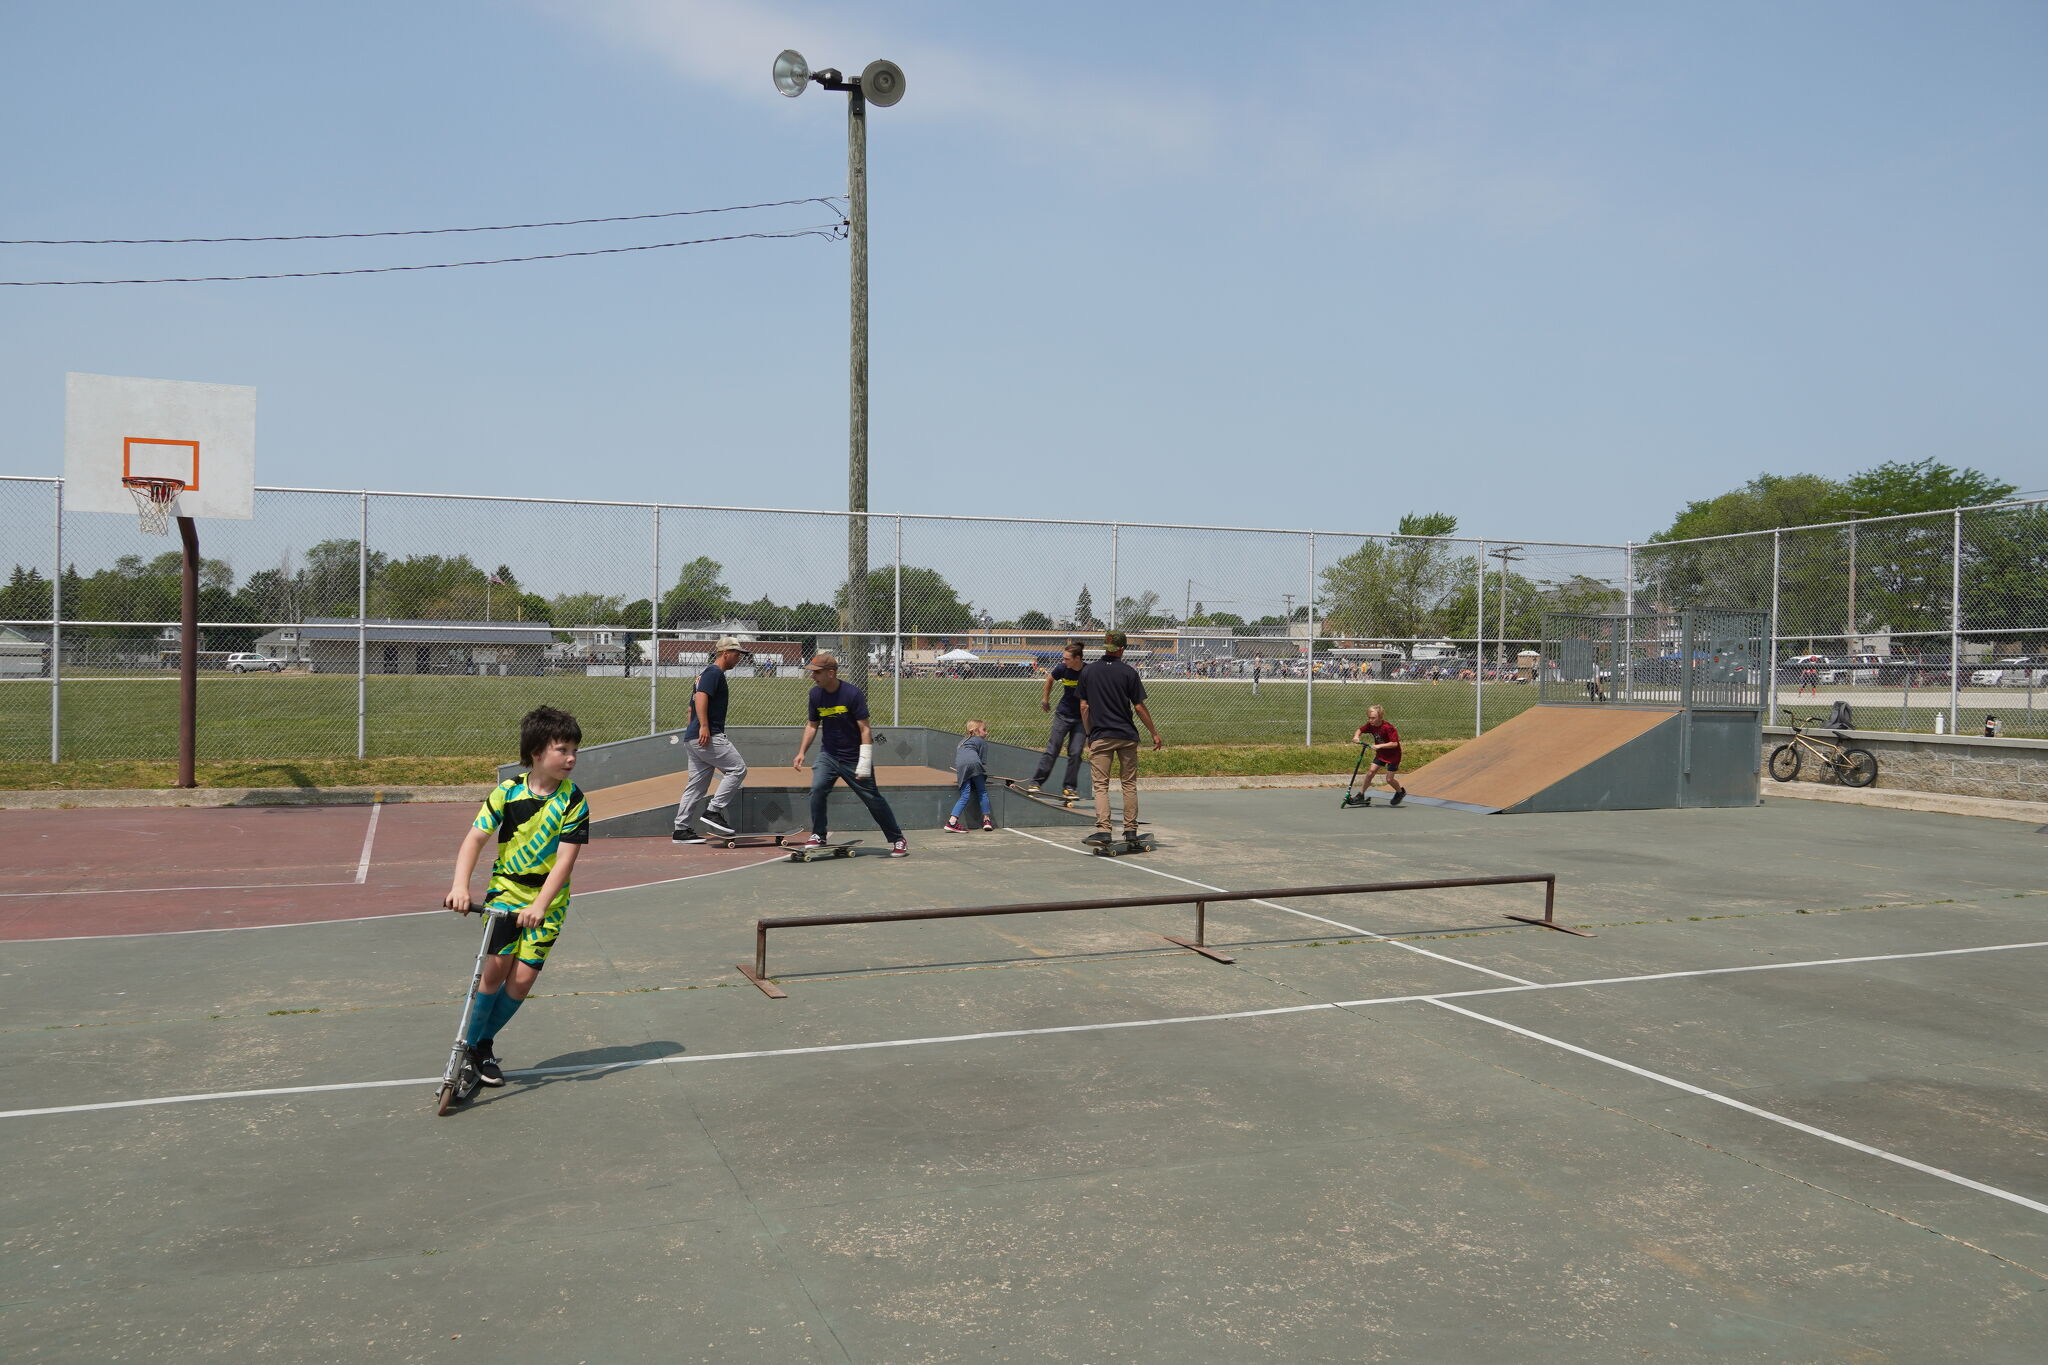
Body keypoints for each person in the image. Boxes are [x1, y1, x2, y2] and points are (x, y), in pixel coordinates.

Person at [442, 705, 589, 1087]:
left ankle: (481, 1045)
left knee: (521, 981)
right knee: (495, 969)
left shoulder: (574, 800)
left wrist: (540, 905)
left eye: (574, 750)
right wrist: (460, 887)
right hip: (505, 893)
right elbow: (475, 839)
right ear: (537, 752)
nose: (571, 758)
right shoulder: (507, 793)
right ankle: (470, 1048)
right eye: (562, 749)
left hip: (548, 903)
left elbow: (565, 861)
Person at [792, 653, 908, 857]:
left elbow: (865, 729)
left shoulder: (852, 694)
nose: (812, 676)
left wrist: (864, 761)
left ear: (831, 673)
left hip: (854, 758)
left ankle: (898, 839)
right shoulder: (815, 695)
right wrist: (802, 752)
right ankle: (819, 834)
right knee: (817, 789)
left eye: (817, 673)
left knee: (872, 799)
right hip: (828, 755)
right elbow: (812, 725)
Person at [1077, 629, 1163, 844]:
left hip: (1101, 735)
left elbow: (1084, 707)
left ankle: (1104, 830)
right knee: (1129, 784)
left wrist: (1089, 733)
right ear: (1122, 649)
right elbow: (1139, 707)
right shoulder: (1128, 672)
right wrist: (1154, 733)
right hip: (1126, 735)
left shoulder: (1088, 672)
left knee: (1100, 786)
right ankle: (1131, 830)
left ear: (1106, 647)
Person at [671, 636, 750, 843]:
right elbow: (701, 697)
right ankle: (713, 810)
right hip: (708, 735)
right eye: (736, 654)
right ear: (725, 653)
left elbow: (690, 708)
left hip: (694, 738)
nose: (739, 658)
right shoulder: (714, 673)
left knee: (696, 786)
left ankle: (681, 830)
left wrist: (693, 730)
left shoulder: (704, 674)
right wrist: (704, 727)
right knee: (737, 769)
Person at [1026, 640, 1087, 800]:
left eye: (1067, 659)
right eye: (1063, 658)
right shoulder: (1062, 668)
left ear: (1077, 658)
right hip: (1063, 715)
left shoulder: (1088, 671)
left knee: (1075, 752)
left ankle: (1069, 788)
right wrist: (1045, 700)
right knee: (1053, 749)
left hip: (1081, 719)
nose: (1063, 661)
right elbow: (1049, 680)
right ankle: (1036, 783)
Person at [943, 720, 994, 832]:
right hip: (974, 765)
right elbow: (981, 761)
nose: (986, 733)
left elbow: (962, 758)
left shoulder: (961, 742)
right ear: (976, 731)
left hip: (961, 767)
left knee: (965, 795)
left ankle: (952, 821)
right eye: (984, 730)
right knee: (982, 791)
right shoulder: (982, 742)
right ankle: (986, 820)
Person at [1351, 703, 1406, 807]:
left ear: (1380, 717)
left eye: (1373, 718)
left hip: (1393, 755)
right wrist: (1356, 736)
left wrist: (1379, 746)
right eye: (1369, 718)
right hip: (1381, 754)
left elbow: (1394, 743)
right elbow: (1360, 730)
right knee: (1371, 772)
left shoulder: (1388, 727)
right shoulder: (1371, 725)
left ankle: (1400, 792)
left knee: (1389, 779)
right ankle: (1361, 795)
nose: (1370, 720)